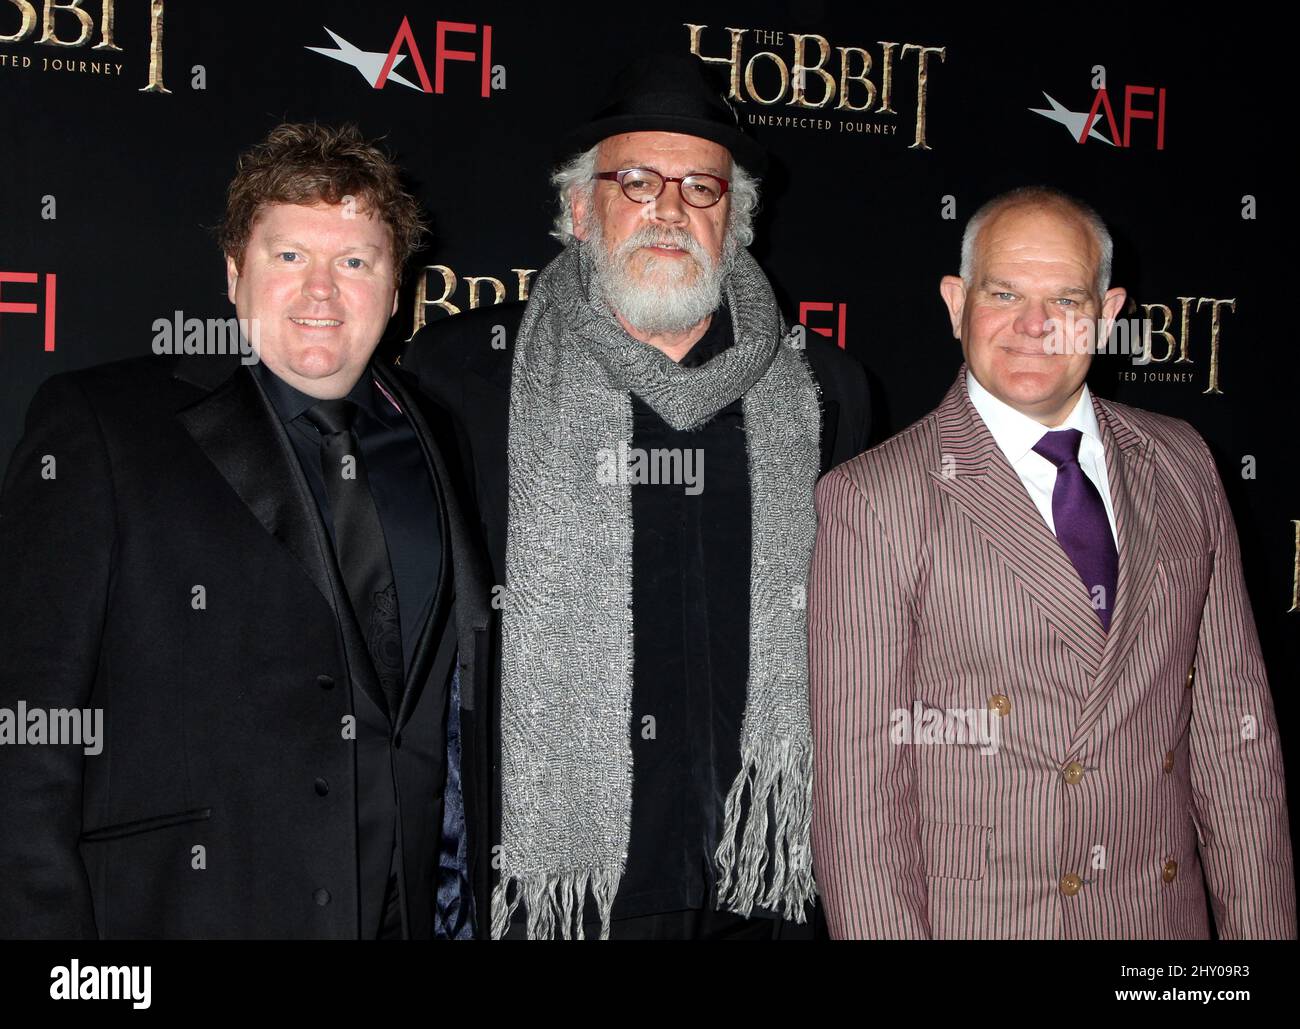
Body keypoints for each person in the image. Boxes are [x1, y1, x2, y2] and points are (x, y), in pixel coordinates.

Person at [404, 53, 871, 939]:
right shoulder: (467, 376)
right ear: (581, 208)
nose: (670, 209)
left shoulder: (824, 388)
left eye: (702, 187)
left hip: (757, 881)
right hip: (562, 890)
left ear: (735, 221)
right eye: (637, 181)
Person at [0, 123, 493, 939]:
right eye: (289, 255)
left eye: (355, 261)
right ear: (235, 273)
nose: (321, 292)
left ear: (397, 288)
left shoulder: (438, 433)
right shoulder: (103, 424)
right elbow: (25, 726)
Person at [808, 185, 1295, 939]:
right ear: (956, 303)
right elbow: (858, 795)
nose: (1034, 325)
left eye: (1066, 300)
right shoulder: (874, 499)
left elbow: (1236, 736)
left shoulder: (1182, 463)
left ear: (1108, 314)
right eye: (1004, 293)